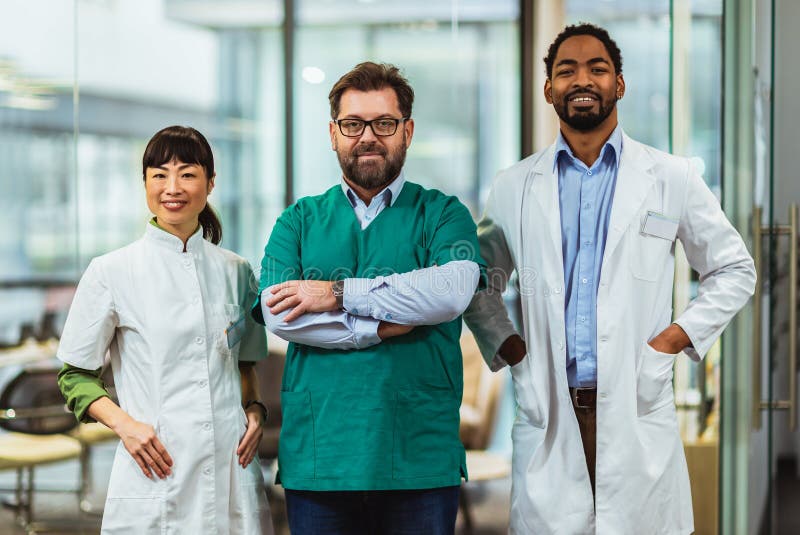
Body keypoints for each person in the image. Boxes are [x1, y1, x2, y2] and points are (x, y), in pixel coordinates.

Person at [463, 23, 756, 534]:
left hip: (636, 404)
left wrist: (670, 342)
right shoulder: (513, 185)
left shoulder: (671, 176)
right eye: (566, 70)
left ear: (619, 84)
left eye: (597, 68)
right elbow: (479, 282)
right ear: (549, 88)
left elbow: (734, 268)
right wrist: (511, 347)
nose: (582, 79)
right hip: (551, 406)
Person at [252, 61, 484, 534]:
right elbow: (279, 316)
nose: (368, 137)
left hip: (417, 456)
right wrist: (376, 326)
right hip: (322, 457)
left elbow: (451, 291)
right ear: (334, 133)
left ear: (408, 130)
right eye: (353, 124)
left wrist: (334, 293)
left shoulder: (443, 214)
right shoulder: (298, 221)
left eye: (384, 123)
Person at [56, 126, 273, 534]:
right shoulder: (111, 271)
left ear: (210, 183)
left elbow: (245, 364)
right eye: (159, 174)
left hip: (231, 464)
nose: (172, 187)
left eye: (187, 174)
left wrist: (255, 410)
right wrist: (126, 426)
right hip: (155, 467)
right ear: (145, 184)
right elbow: (74, 376)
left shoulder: (237, 271)